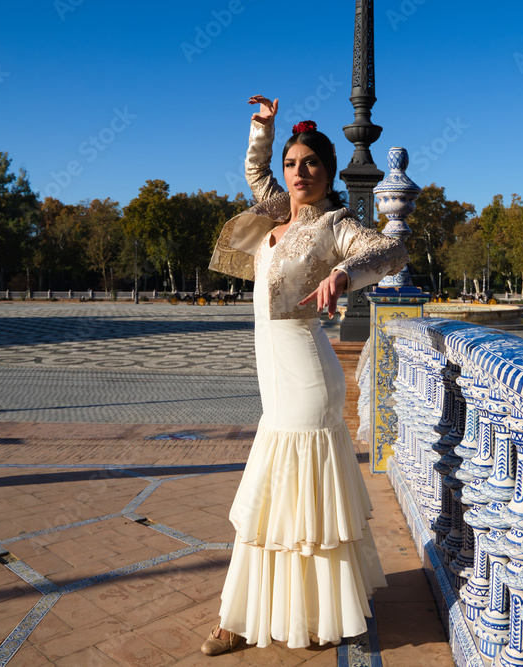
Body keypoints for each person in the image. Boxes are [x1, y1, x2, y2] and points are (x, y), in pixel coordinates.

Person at [201, 95, 406, 655]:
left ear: (329, 170)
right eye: (292, 163)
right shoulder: (271, 211)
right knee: (275, 499)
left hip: (308, 376)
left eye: (311, 163)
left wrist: (342, 273)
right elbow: (254, 170)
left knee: (284, 494)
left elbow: (392, 249)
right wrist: (261, 130)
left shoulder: (336, 224)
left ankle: (251, 617)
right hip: (273, 372)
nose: (299, 173)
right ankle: (247, 611)